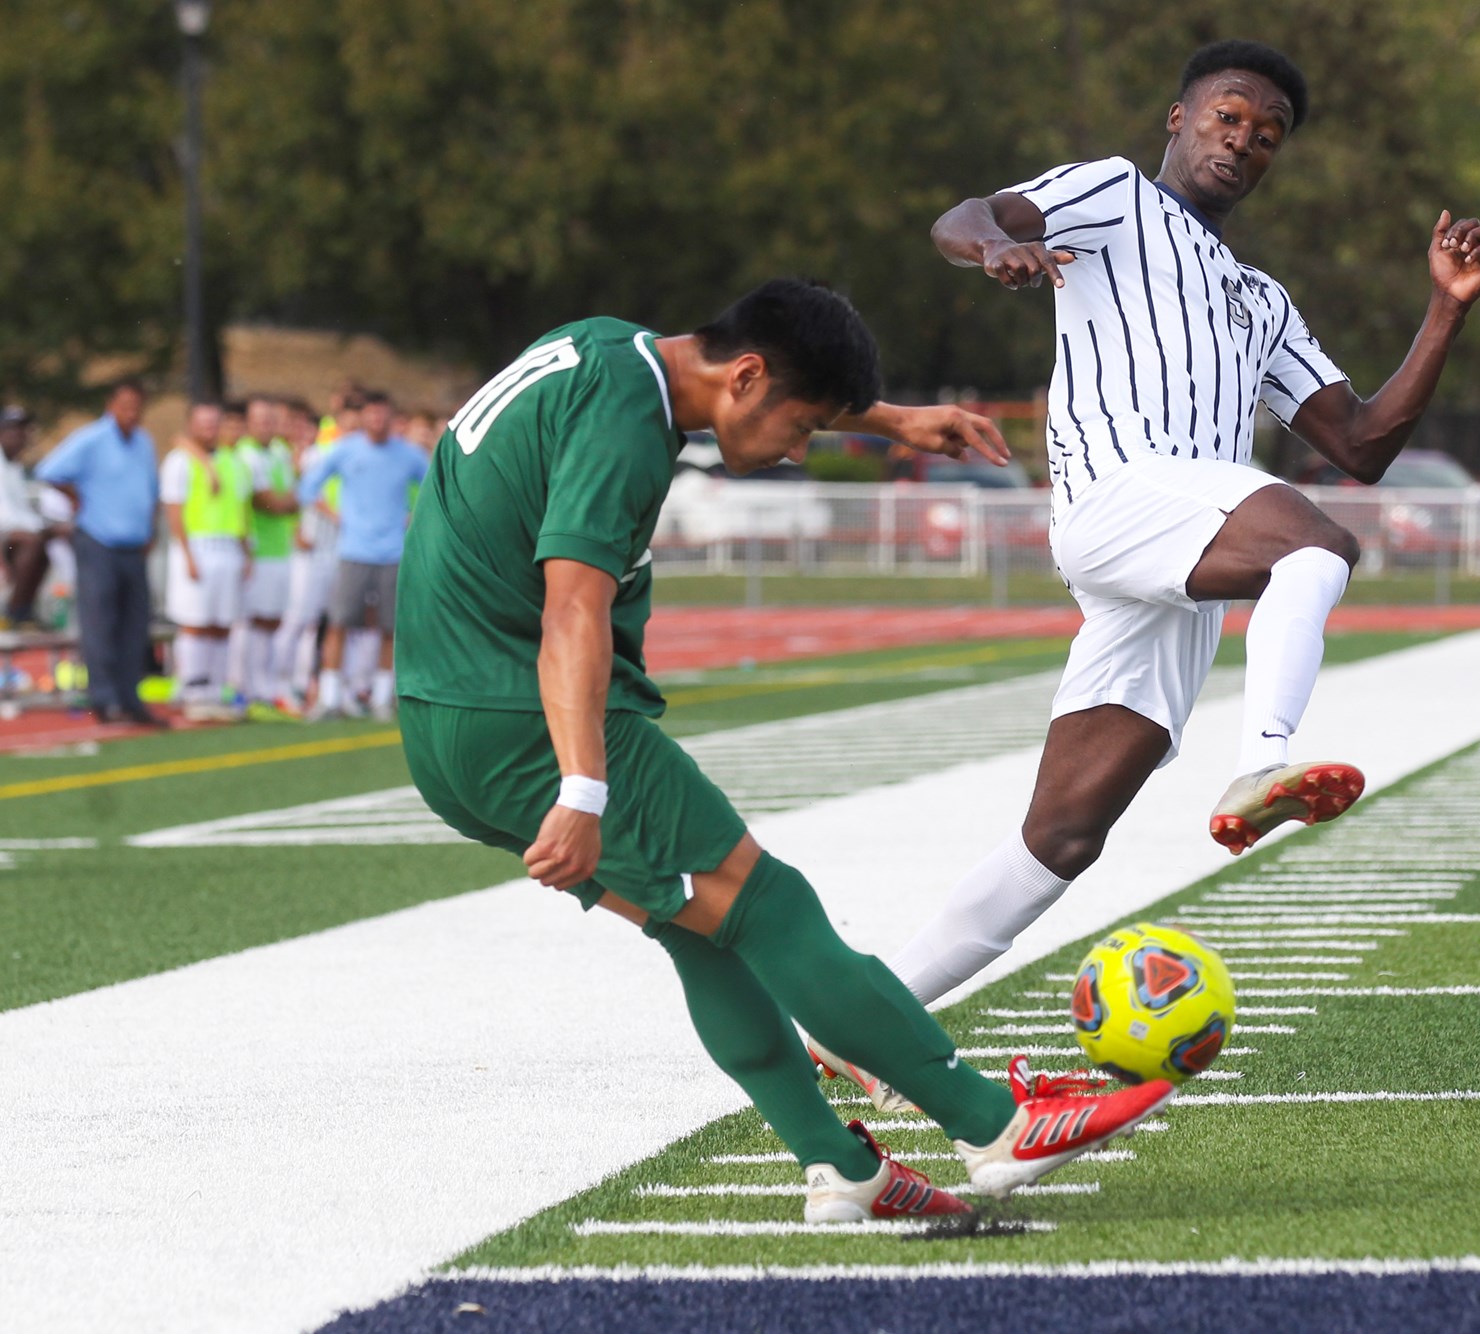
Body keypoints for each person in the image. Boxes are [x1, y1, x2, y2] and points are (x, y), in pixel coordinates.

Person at [396, 280, 1174, 1221]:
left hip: (447, 727)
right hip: (521, 713)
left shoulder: (612, 353)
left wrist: (887, 421)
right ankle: (992, 1125)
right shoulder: (625, 422)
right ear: (749, 374)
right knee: (771, 908)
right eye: (804, 425)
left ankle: (841, 1169)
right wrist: (584, 788)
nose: (801, 449)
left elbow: (742, 390)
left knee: (706, 938)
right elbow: (573, 607)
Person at [815, 40, 1480, 1104]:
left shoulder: (1259, 298)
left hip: (1180, 540)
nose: (1244, 140)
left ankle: (870, 1023)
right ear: (1176, 121)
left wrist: (1445, 308)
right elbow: (964, 215)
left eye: (1265, 135)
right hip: (1121, 496)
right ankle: (1260, 762)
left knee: (1063, 835)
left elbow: (1359, 441)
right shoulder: (1111, 194)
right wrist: (994, 246)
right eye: (1228, 117)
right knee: (1317, 547)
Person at [34, 380, 165, 726]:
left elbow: (152, 492)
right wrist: (77, 498)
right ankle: (104, 699)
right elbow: (49, 470)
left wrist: (150, 528)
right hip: (99, 541)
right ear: (112, 405)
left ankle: (130, 697)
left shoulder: (144, 443)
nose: (131, 413)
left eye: (137, 406)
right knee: (100, 623)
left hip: (134, 546)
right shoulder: (92, 439)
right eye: (125, 406)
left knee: (135, 625)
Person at [297, 390, 428, 721]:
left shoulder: (409, 455)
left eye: (383, 415)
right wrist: (335, 515)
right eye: (371, 414)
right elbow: (308, 487)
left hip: (393, 551)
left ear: (392, 418)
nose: (377, 421)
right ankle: (329, 697)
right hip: (353, 549)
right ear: (363, 417)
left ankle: (382, 697)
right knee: (340, 622)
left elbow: (433, 489)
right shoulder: (345, 450)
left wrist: (412, 518)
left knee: (389, 626)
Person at [160, 400, 253, 722]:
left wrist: (246, 552)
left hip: (228, 547)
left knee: (221, 622)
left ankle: (215, 689)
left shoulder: (232, 461)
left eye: (215, 423)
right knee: (195, 621)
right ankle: (193, 687)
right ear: (191, 425)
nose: (210, 430)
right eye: (204, 423)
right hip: (198, 546)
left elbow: (240, 510)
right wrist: (186, 555)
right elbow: (174, 511)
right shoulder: (179, 461)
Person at [234, 394, 301, 717]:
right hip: (257, 550)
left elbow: (288, 497)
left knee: (273, 620)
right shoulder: (244, 454)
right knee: (253, 618)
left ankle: (267, 687)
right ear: (249, 423)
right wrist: (288, 501)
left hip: (281, 548)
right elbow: (269, 502)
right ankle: (247, 688)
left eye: (271, 420)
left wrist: (287, 501)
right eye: (260, 420)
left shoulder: (279, 452)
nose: (266, 426)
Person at [271, 399, 338, 712]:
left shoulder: (322, 456)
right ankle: (277, 683)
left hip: (324, 548)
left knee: (311, 622)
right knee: (295, 619)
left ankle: (300, 684)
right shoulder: (279, 456)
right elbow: (301, 497)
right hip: (296, 550)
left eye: (307, 426)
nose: (301, 432)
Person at [1, 406, 50, 628]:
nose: (21, 437)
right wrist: (42, 529)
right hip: (5, 533)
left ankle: (24, 608)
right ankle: (13, 611)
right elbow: (7, 516)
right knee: (32, 541)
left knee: (44, 546)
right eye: (14, 431)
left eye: (23, 431)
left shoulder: (16, 467)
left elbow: (23, 511)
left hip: (9, 533)